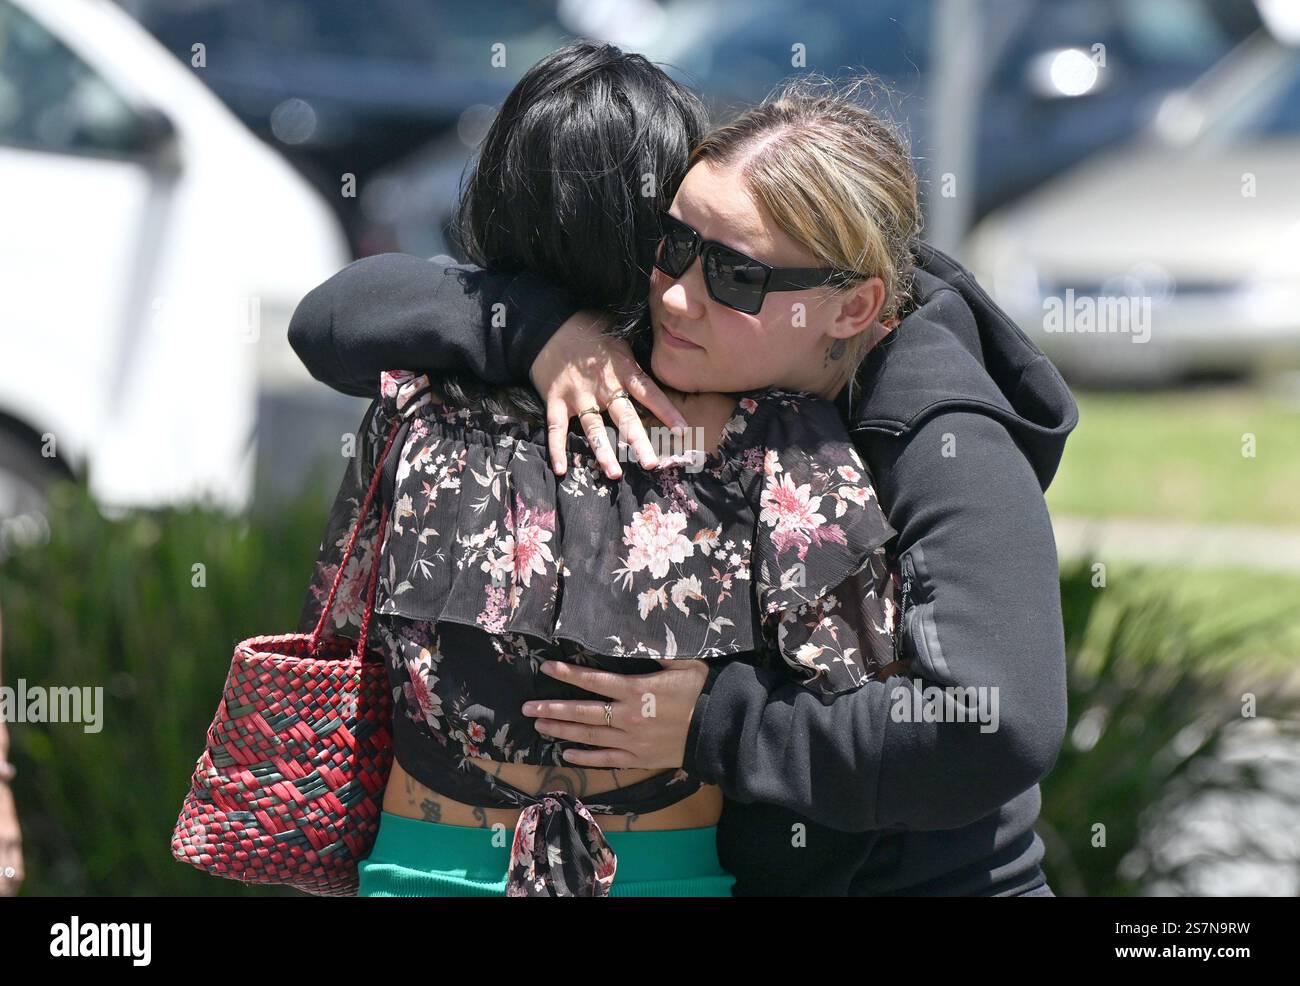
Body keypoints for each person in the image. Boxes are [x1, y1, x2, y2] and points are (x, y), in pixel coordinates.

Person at [291, 66, 1077, 898]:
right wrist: (532, 328)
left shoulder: (943, 437)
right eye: (670, 247)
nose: (672, 296)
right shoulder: (707, 361)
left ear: (852, 309)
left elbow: (994, 722)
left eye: (734, 278)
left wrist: (717, 726)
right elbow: (336, 318)